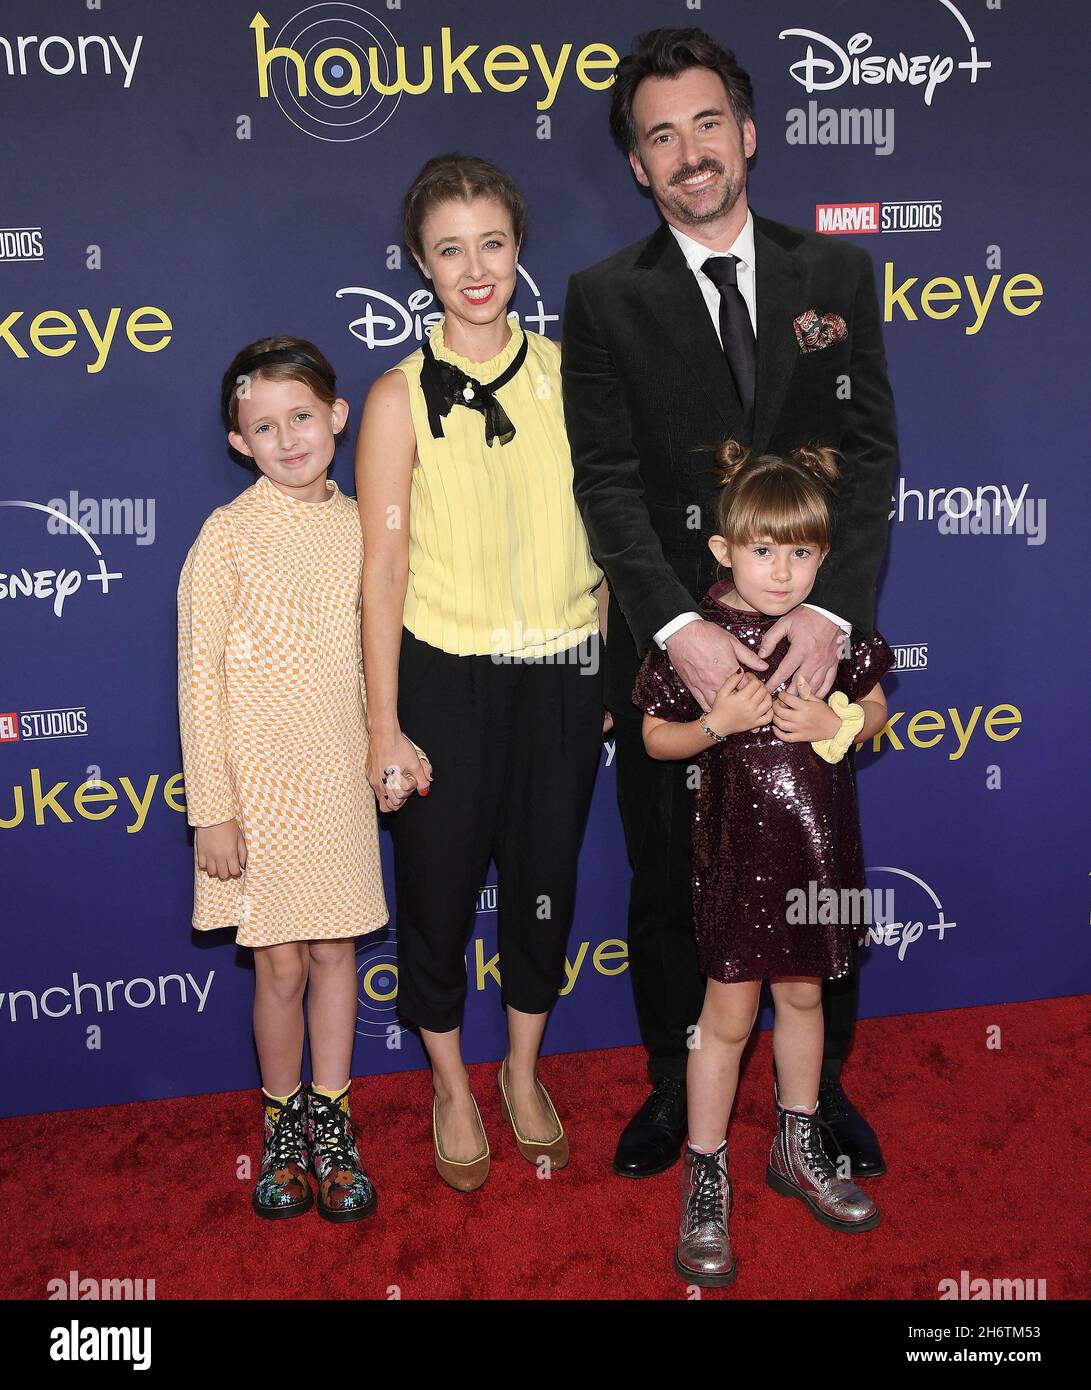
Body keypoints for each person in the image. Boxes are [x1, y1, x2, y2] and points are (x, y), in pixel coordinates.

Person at [561, 27, 899, 1180]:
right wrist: (680, 631)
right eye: (660, 136)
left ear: (747, 133)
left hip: (807, 641)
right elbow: (601, 481)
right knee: (671, 873)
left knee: (812, 857)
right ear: (637, 168)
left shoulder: (834, 273)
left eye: (706, 123)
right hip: (676, 643)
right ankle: (674, 1082)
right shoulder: (603, 298)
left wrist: (831, 613)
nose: (688, 151)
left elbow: (868, 453)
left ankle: (818, 1096)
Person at [355, 154, 607, 1192]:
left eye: (491, 244)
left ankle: (521, 1070)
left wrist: (599, 647)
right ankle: (451, 1083)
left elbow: (616, 526)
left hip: (559, 677)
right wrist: (383, 725)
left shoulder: (571, 377)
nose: (473, 268)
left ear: (517, 249)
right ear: (419, 261)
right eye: (449, 248)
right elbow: (380, 565)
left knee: (545, 888)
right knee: (438, 897)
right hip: (442, 682)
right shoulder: (392, 396)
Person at [635, 442, 894, 1285]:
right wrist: (718, 723)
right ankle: (705, 1171)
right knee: (727, 1018)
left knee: (804, 997)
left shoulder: (828, 635)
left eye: (801, 553)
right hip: (735, 865)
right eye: (761, 551)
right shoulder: (703, 643)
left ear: (825, 554)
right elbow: (654, 737)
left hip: (819, 860)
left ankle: (797, 1140)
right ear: (721, 551)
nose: (780, 573)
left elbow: (878, 710)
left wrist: (836, 725)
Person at [177, 336, 388, 1222]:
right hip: (255, 793)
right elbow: (198, 680)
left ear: (337, 417)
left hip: (336, 780)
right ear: (240, 443)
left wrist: (392, 745)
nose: (288, 437)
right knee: (279, 971)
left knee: (337, 952)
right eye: (264, 426)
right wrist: (211, 813)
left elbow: (380, 656)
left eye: (302, 416)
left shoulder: (362, 527)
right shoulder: (226, 535)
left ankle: (332, 1122)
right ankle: (281, 1127)